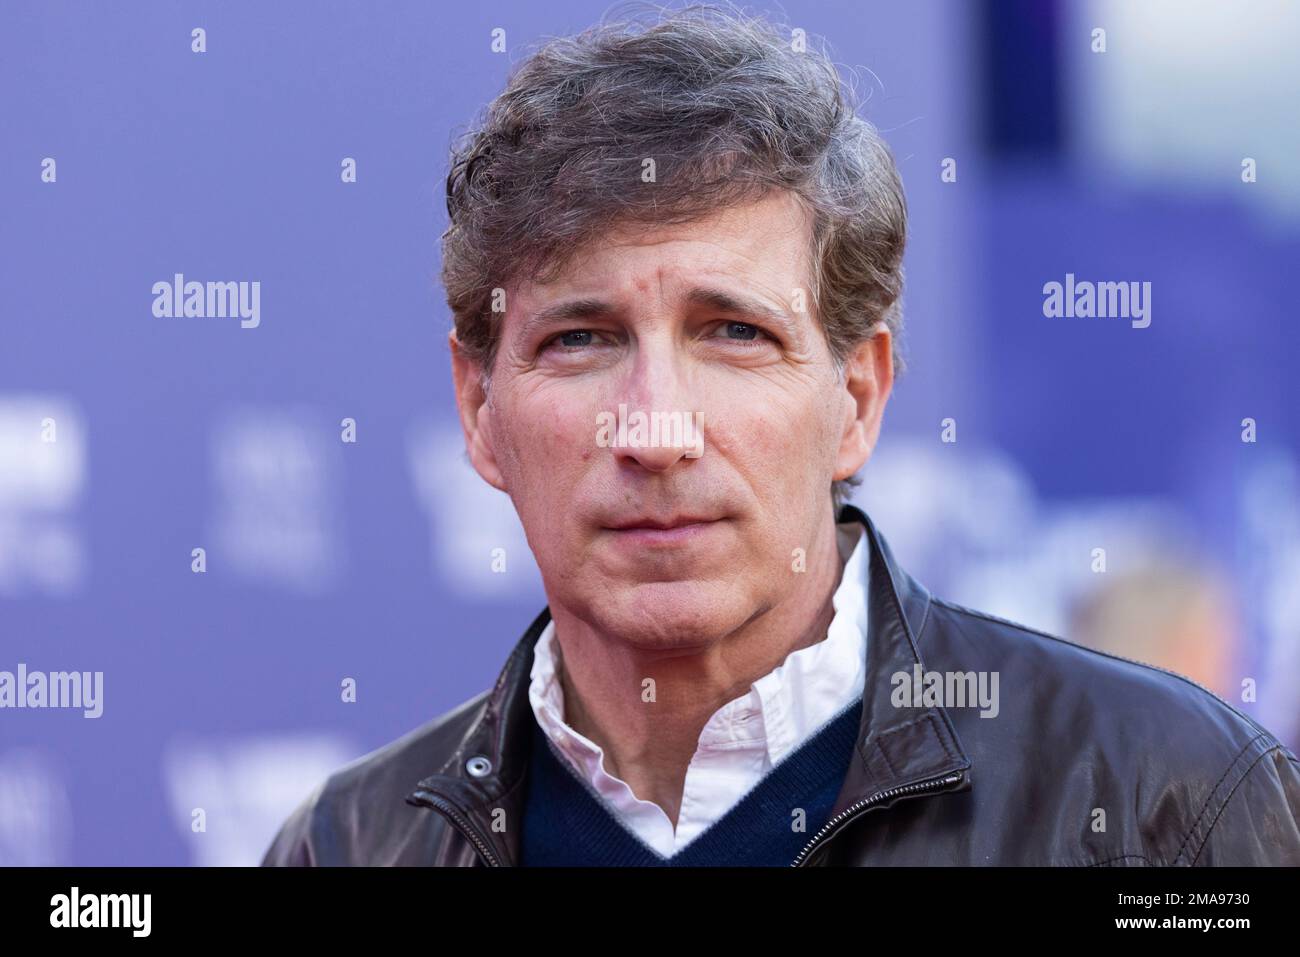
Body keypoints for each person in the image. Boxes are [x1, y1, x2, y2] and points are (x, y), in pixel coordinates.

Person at [262, 4, 1300, 866]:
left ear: (857, 397)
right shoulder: (350, 846)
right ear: (479, 409)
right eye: (581, 338)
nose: (656, 429)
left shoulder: (1169, 804)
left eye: (733, 333)